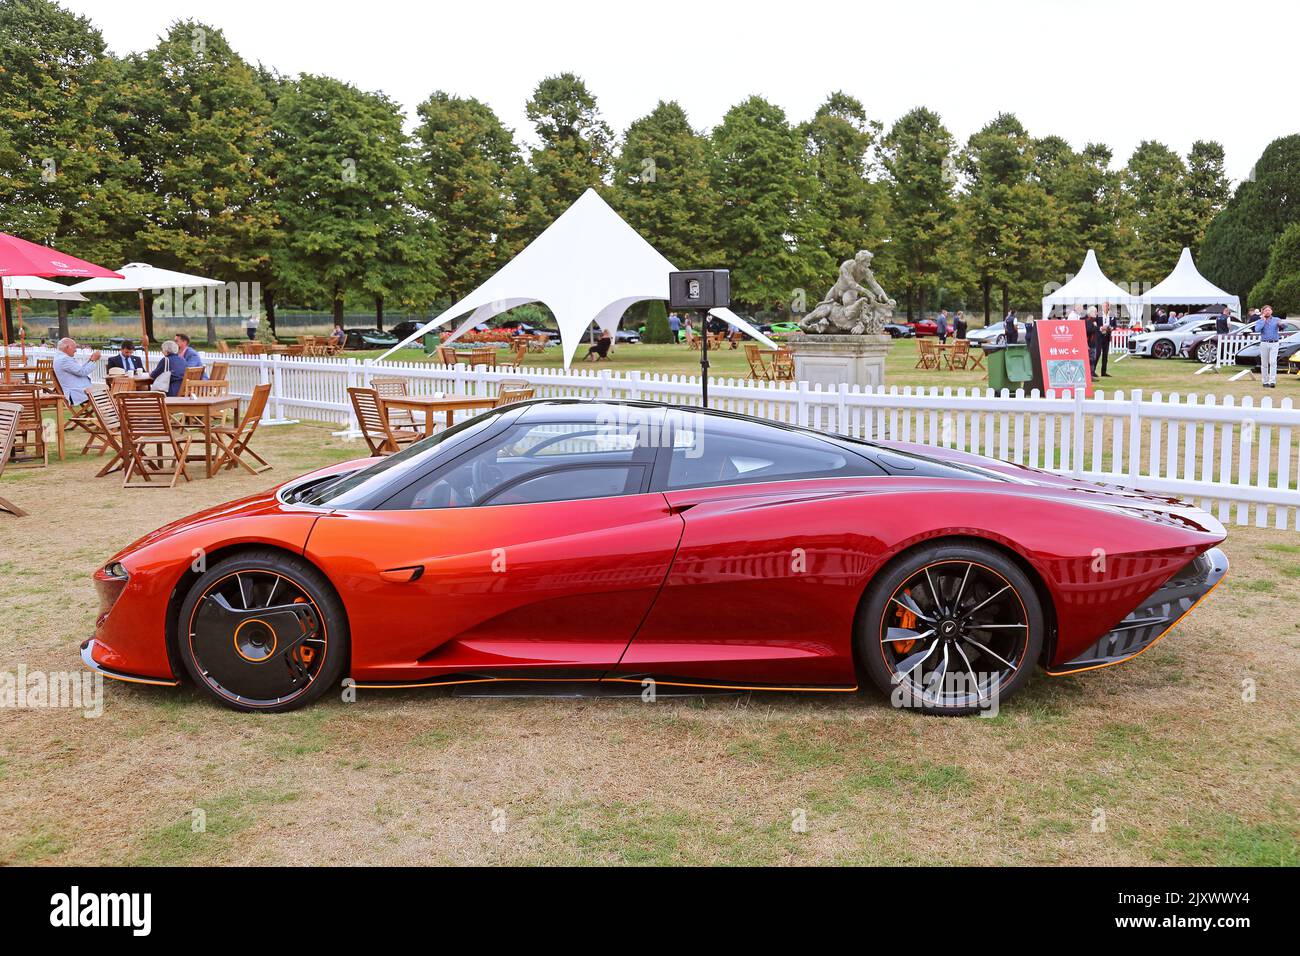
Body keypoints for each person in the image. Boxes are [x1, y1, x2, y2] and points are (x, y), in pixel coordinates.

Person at [52, 337, 101, 406]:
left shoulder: (61, 358)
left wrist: (90, 361)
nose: (75, 350)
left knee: (108, 395)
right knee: (108, 396)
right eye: (74, 348)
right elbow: (82, 372)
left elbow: (80, 370)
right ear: (67, 347)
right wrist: (93, 360)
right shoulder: (64, 359)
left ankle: (107, 415)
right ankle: (108, 416)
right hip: (78, 394)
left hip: (81, 392)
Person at [1254, 305, 1281, 388]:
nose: (1267, 312)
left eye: (1269, 310)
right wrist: (1263, 321)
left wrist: (1281, 324)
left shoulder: (1276, 320)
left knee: (1273, 362)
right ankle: (1265, 381)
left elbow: (1284, 326)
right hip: (1264, 343)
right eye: (1266, 310)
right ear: (1263, 312)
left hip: (1274, 343)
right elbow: (1257, 329)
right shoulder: (1259, 321)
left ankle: (1272, 381)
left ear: (1271, 311)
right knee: (1264, 363)